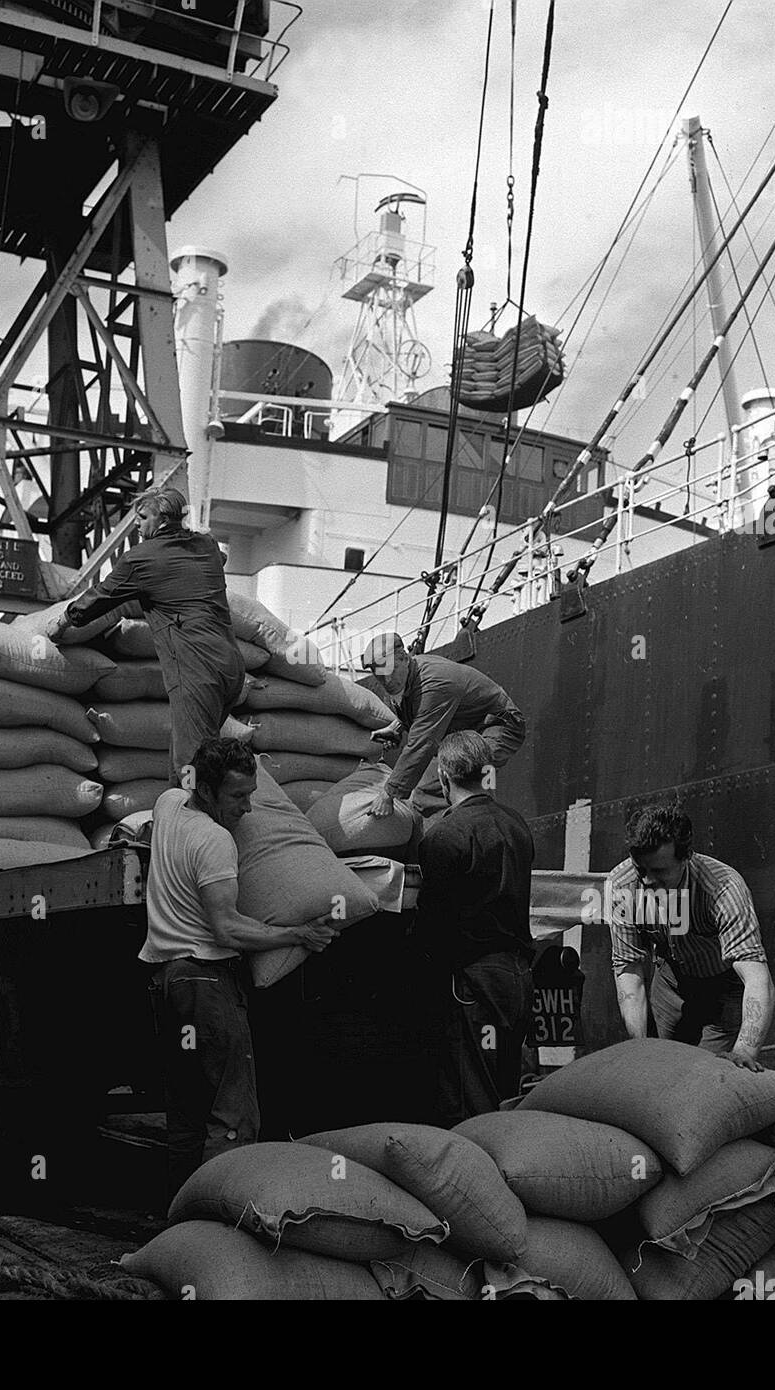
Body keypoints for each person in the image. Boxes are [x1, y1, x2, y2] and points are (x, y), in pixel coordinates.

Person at [142, 737, 338, 1194]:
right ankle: (218, 1222)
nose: (248, 808)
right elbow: (227, 929)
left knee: (187, 1115)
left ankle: (181, 1220)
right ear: (207, 792)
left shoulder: (168, 804)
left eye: (251, 794)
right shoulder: (214, 842)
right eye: (237, 797)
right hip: (207, 983)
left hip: (167, 981)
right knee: (232, 1115)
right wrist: (298, 934)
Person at [50, 487, 245, 785]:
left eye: (142, 517)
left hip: (196, 670)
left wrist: (64, 620)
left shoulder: (140, 560)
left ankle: (189, 820)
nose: (137, 525)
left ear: (163, 520)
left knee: (191, 766)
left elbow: (101, 596)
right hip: (232, 668)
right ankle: (173, 817)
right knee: (193, 752)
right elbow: (220, 557)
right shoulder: (206, 546)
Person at [413, 730, 535, 1125]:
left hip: (473, 982)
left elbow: (431, 925)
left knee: (470, 1094)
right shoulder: (517, 826)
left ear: (444, 778)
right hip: (517, 976)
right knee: (507, 1085)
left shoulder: (444, 835)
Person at [609, 801, 775, 1070]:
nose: (648, 881)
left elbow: (757, 977)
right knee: (659, 1070)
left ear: (686, 857)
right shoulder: (622, 886)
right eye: (642, 869)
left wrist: (745, 1050)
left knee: (705, 1074)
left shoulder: (723, 889)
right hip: (669, 983)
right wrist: (638, 1047)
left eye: (660, 871)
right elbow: (629, 970)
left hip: (722, 990)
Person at [360, 631, 527, 820]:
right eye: (379, 677)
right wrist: (397, 728)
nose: (386, 681)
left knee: (465, 776)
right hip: (466, 730)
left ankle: (484, 828)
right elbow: (418, 710)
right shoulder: (406, 679)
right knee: (430, 791)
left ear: (403, 658)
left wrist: (387, 795)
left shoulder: (434, 681)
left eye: (388, 672)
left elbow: (421, 744)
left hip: (498, 725)